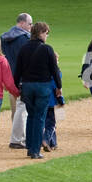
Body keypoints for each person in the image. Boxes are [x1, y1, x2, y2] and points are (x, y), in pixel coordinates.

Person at [11, 21, 61, 159]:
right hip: (42, 87)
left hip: (27, 86)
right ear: (40, 33)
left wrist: (17, 86)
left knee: (31, 116)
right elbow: (54, 70)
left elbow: (17, 71)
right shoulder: (47, 49)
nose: (46, 36)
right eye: (46, 33)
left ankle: (30, 147)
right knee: (40, 118)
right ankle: (35, 150)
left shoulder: (24, 48)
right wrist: (59, 86)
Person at [0, 13, 32, 150]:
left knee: (15, 109)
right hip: (22, 78)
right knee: (23, 109)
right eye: (30, 24)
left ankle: (16, 137)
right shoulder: (25, 39)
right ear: (22, 23)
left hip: (8, 77)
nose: (31, 27)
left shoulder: (4, 38)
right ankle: (20, 138)